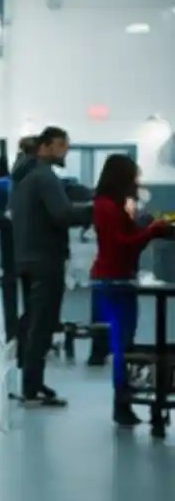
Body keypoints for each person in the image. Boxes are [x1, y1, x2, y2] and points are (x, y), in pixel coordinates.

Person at [11, 126, 93, 406]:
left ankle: (31, 383)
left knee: (32, 321)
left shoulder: (24, 175)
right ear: (44, 147)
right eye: (59, 145)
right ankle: (31, 389)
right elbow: (62, 214)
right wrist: (96, 211)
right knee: (42, 324)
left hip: (26, 257)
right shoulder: (44, 177)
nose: (64, 151)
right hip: (45, 259)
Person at [88, 154, 169, 425]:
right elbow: (121, 244)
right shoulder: (107, 206)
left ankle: (123, 402)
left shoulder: (114, 205)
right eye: (134, 176)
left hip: (119, 279)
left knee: (124, 344)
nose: (138, 181)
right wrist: (150, 232)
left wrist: (145, 226)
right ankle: (121, 404)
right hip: (113, 282)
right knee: (122, 345)